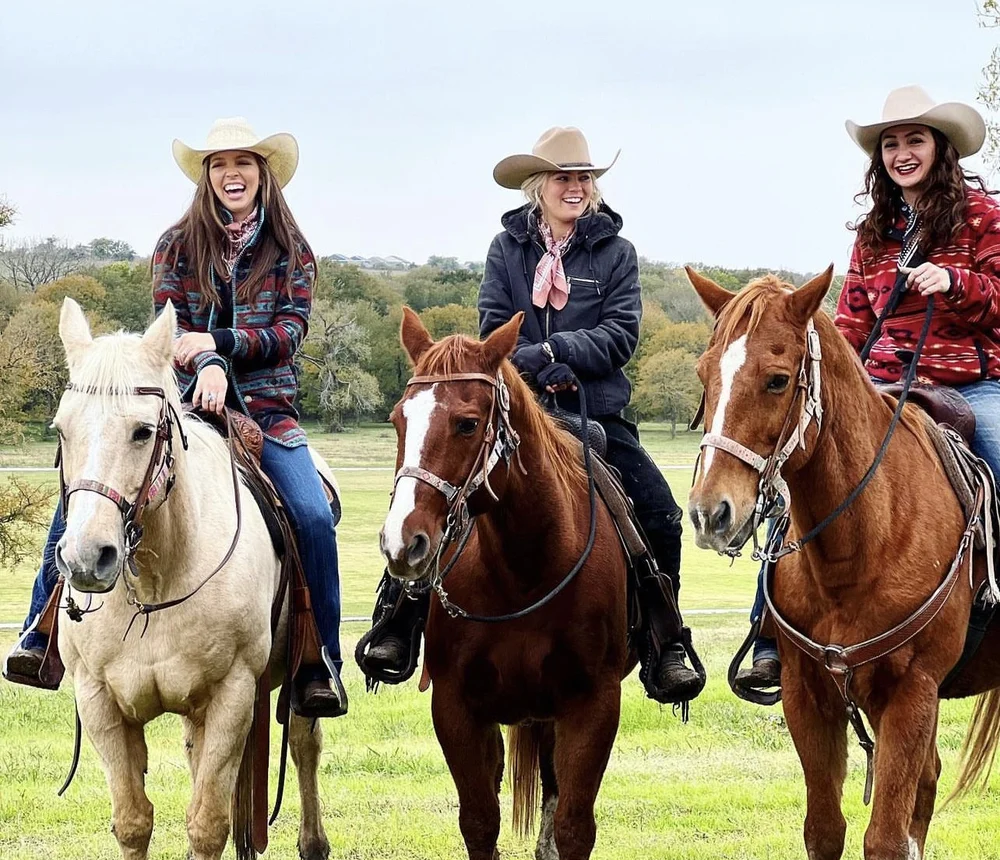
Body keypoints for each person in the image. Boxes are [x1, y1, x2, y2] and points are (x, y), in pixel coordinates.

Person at [5, 117, 347, 719]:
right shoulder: (175, 246)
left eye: (242, 163)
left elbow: (288, 334)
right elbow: (172, 330)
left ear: (262, 175)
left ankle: (319, 662)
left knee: (313, 516)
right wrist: (204, 359)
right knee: (89, 489)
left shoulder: (293, 253)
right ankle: (41, 629)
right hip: (183, 406)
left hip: (268, 410)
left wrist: (219, 348)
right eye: (219, 164)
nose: (231, 174)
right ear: (206, 177)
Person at [360, 127, 704, 705]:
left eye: (584, 178)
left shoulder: (617, 253)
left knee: (660, 513)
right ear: (538, 187)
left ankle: (664, 641)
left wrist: (555, 352)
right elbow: (493, 320)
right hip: (507, 410)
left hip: (594, 412)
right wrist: (530, 369)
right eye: (563, 178)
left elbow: (621, 335)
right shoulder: (506, 250)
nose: (575, 187)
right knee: (450, 490)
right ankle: (399, 619)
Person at [737, 85, 997, 693]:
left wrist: (955, 282)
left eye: (915, 140)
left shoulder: (986, 219)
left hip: (973, 380)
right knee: (801, 473)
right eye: (891, 144)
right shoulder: (875, 231)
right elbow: (852, 318)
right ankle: (769, 631)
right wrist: (834, 374)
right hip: (881, 381)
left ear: (941, 148)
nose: (903, 152)